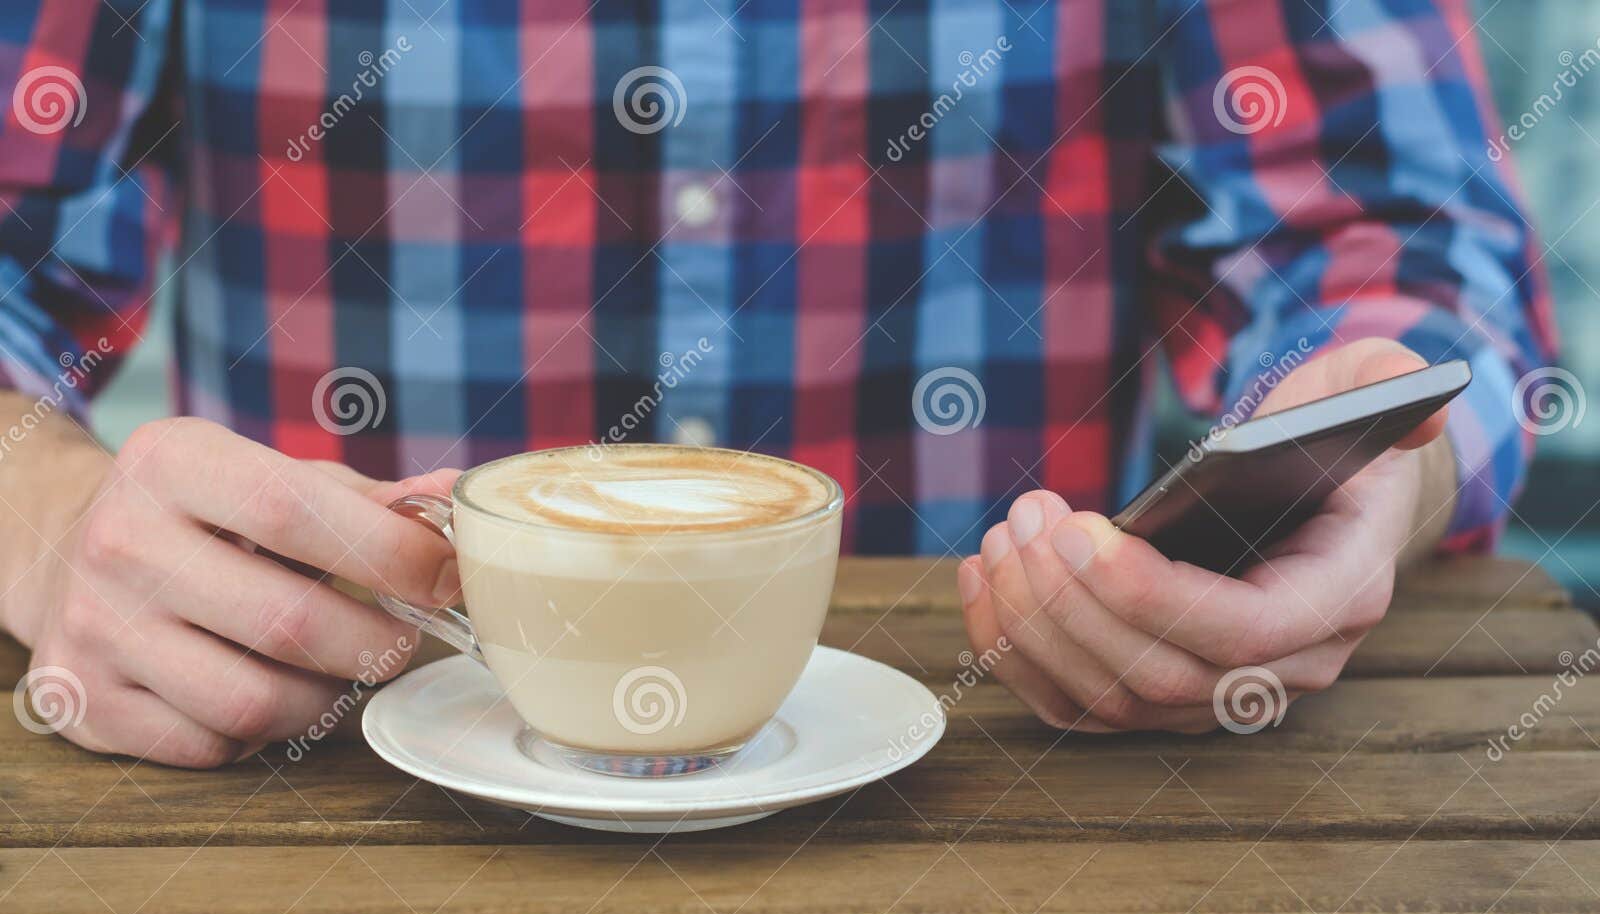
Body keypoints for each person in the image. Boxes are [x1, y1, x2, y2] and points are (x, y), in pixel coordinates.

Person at [0, 1, 1555, 765]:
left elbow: (1389, 232)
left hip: (1014, 817)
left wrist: (1379, 459)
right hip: (306, 797)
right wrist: (51, 512)